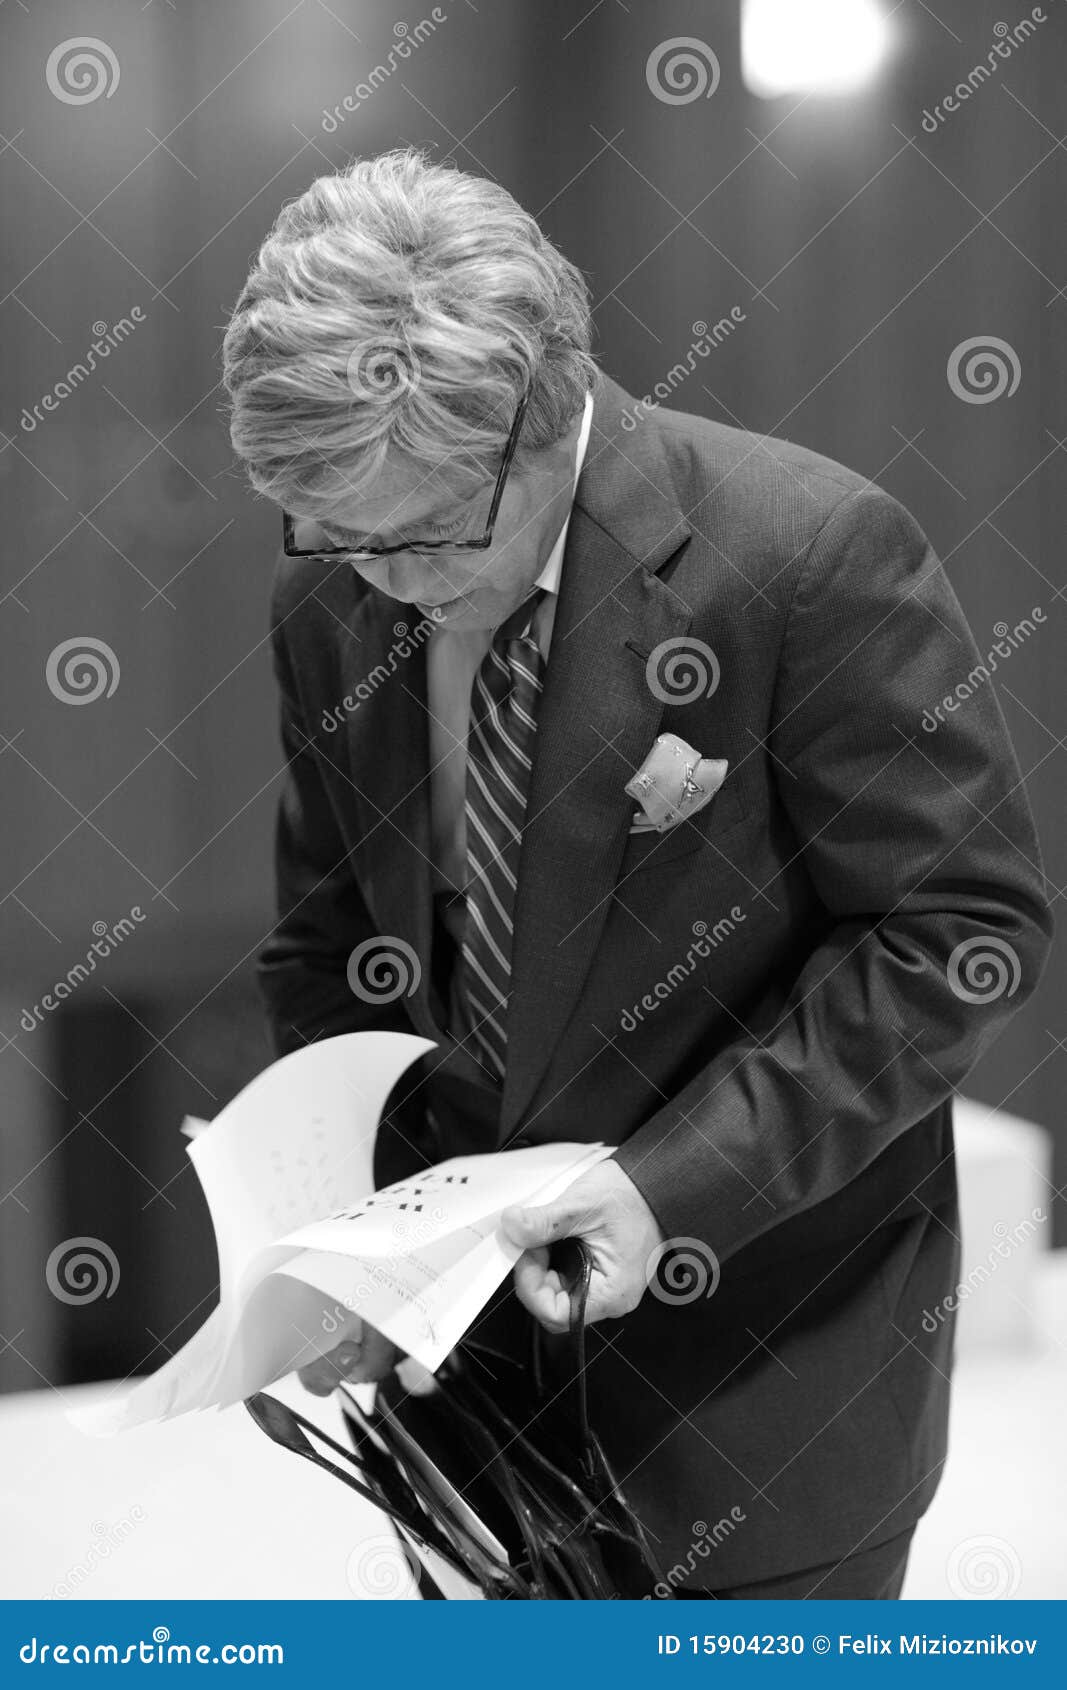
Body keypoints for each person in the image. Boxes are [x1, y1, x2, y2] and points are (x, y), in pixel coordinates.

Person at [221, 148, 1051, 1598]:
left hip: (763, 1393)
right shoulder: (335, 592)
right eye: (338, 534)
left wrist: (670, 1191)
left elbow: (956, 931)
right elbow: (333, 939)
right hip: (463, 1401)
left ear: (549, 420)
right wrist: (347, 1240)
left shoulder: (807, 554)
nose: (387, 580)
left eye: (425, 532)